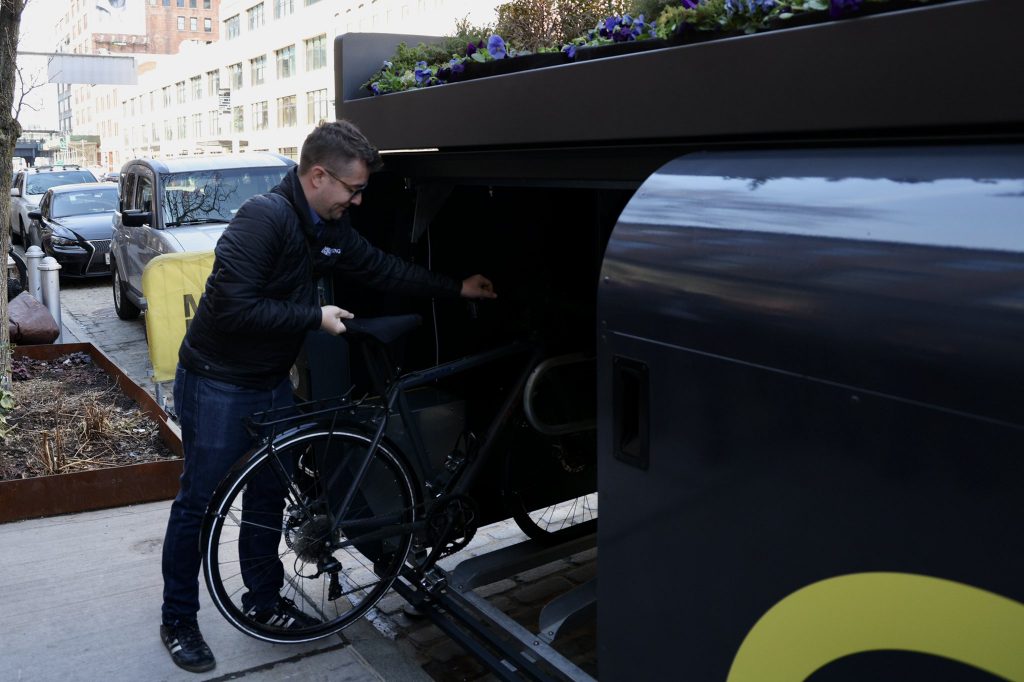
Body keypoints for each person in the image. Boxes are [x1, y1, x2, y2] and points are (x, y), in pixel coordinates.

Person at [159, 120, 496, 673]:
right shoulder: (264, 218)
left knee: (269, 496)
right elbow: (232, 308)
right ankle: (178, 620)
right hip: (219, 381)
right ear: (318, 176)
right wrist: (313, 317)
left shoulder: (327, 224)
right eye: (353, 189)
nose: (358, 201)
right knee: (200, 502)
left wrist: (455, 288)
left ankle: (264, 602)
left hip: (271, 381)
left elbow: (381, 268)